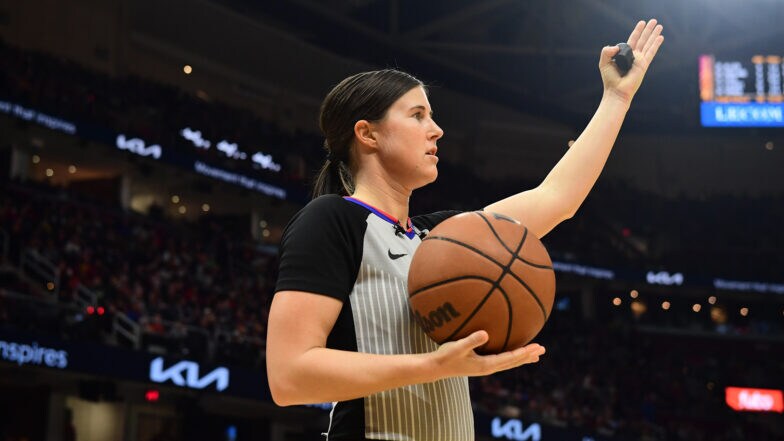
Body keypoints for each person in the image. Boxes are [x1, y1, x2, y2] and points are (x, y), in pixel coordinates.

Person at [267, 19, 664, 441]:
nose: (436, 130)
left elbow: (557, 199)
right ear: (367, 134)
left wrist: (617, 98)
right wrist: (434, 366)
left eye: (432, 116)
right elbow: (289, 376)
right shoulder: (330, 220)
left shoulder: (441, 239)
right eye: (417, 115)